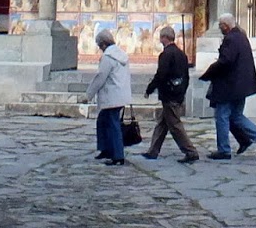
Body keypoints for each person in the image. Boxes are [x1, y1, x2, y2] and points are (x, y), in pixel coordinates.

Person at [198, 12, 256, 160]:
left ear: (226, 26)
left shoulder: (230, 39)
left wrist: (209, 73)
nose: (220, 28)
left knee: (222, 116)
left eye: (220, 26)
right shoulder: (241, 37)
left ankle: (224, 149)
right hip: (241, 85)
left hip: (229, 86)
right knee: (236, 115)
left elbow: (225, 61)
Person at [140, 25, 199, 163]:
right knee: (162, 123)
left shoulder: (166, 55)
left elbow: (161, 74)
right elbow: (186, 76)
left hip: (169, 94)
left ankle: (191, 151)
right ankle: (153, 151)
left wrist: (150, 88)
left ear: (164, 38)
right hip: (178, 93)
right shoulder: (182, 54)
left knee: (175, 125)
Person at [85, 27, 132, 165]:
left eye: (100, 46)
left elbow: (101, 77)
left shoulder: (108, 57)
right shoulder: (122, 55)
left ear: (104, 44)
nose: (100, 48)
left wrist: (88, 95)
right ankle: (105, 148)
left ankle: (118, 155)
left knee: (113, 124)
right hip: (120, 94)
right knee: (102, 120)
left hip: (112, 95)